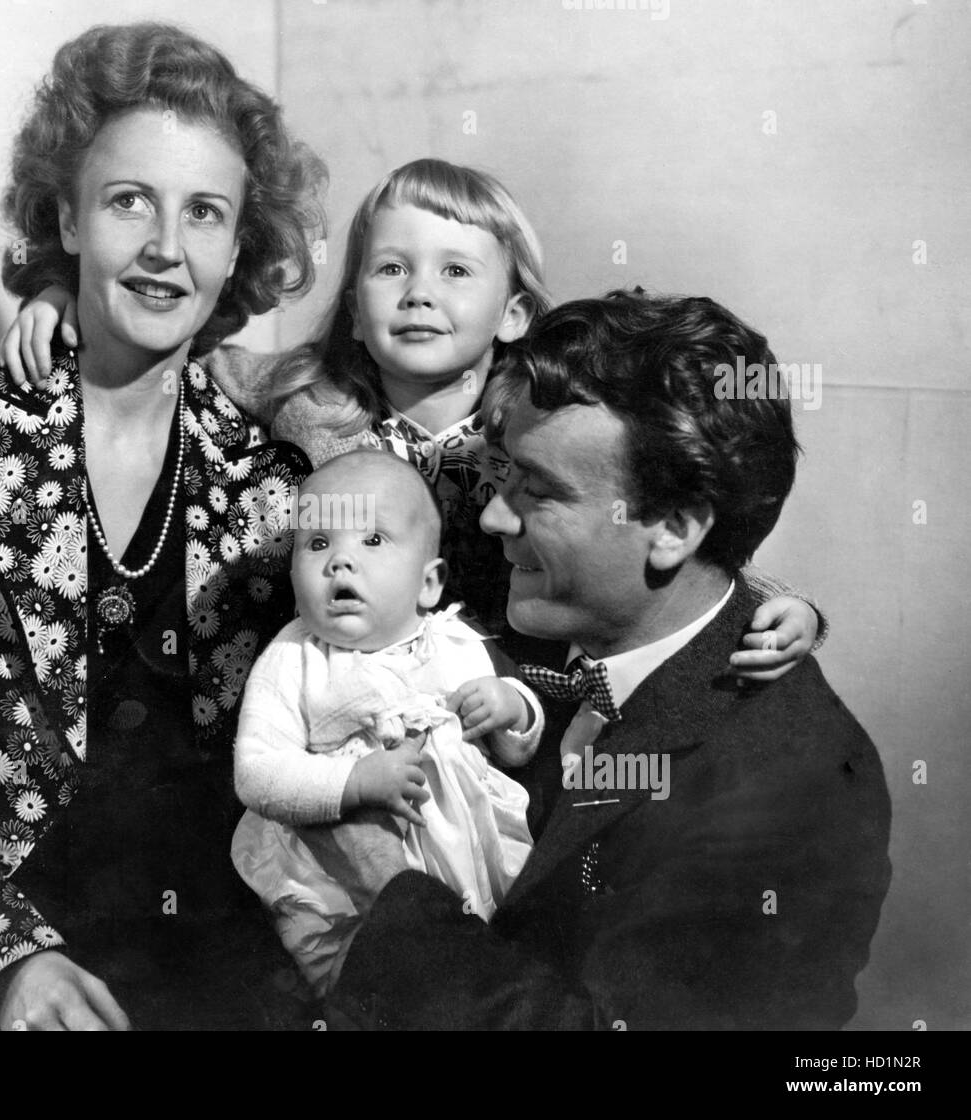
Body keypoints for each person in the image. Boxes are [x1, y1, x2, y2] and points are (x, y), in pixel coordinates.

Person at [0, 22, 325, 1030]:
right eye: (129, 200)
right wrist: (8, 962)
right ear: (64, 217)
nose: (164, 248)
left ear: (237, 252)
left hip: (222, 953)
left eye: (205, 214)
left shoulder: (277, 473)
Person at [304, 290, 892, 1030]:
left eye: (540, 492)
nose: (491, 517)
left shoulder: (791, 787)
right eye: (503, 475)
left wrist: (389, 893)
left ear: (673, 528)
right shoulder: (575, 628)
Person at [2, 159, 825, 675]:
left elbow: (659, 507)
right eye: (390, 268)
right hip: (336, 688)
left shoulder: (538, 416)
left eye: (456, 270)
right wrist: (61, 296)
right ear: (355, 310)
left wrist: (781, 604)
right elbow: (171, 346)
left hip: (506, 698)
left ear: (512, 313)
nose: (420, 292)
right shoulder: (304, 394)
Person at [231, 451, 541, 994]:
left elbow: (518, 750)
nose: (339, 563)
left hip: (475, 855)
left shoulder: (458, 640)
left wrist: (513, 708)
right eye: (318, 543)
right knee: (364, 983)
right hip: (338, 886)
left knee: (495, 961)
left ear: (428, 584)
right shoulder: (294, 659)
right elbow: (257, 775)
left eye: (372, 541)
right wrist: (353, 783)